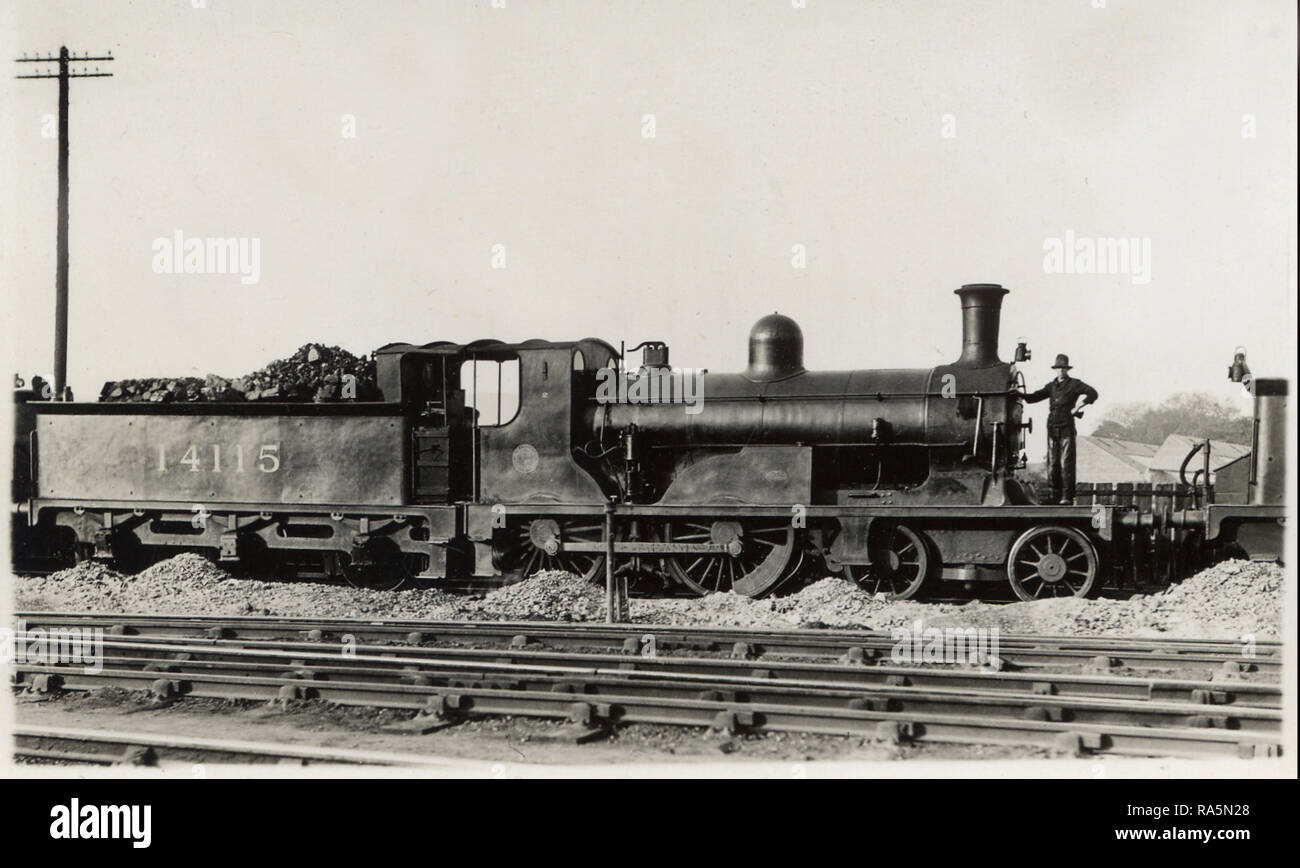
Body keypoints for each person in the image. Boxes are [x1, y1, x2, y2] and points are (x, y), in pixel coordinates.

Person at [1021, 354, 1098, 504]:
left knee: (1066, 462)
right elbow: (1033, 398)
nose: (1060, 371)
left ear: (1067, 369)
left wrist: (1078, 407)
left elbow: (1093, 393)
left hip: (1066, 426)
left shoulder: (1075, 384)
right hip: (1051, 427)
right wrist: (1018, 394)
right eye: (1058, 368)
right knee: (1052, 463)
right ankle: (1053, 496)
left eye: (1063, 368)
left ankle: (1066, 497)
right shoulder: (1051, 386)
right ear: (1055, 370)